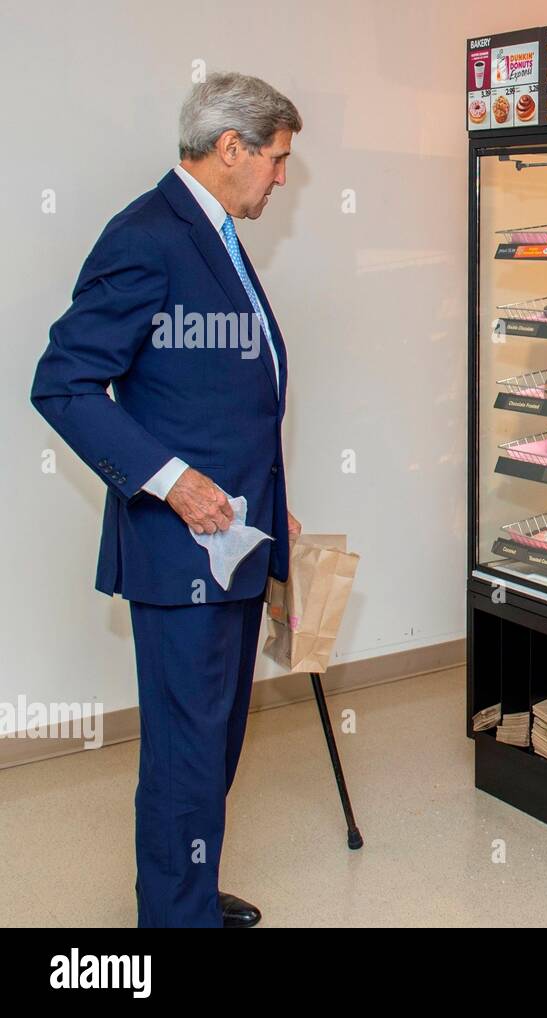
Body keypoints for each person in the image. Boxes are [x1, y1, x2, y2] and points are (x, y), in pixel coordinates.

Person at [31, 72, 303, 928]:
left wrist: (271, 499)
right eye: (278, 160)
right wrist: (174, 482)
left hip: (235, 536)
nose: (282, 179)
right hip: (181, 549)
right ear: (233, 149)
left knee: (214, 741)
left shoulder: (213, 230)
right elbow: (64, 384)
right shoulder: (148, 235)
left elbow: (221, 394)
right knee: (188, 753)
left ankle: (183, 894)